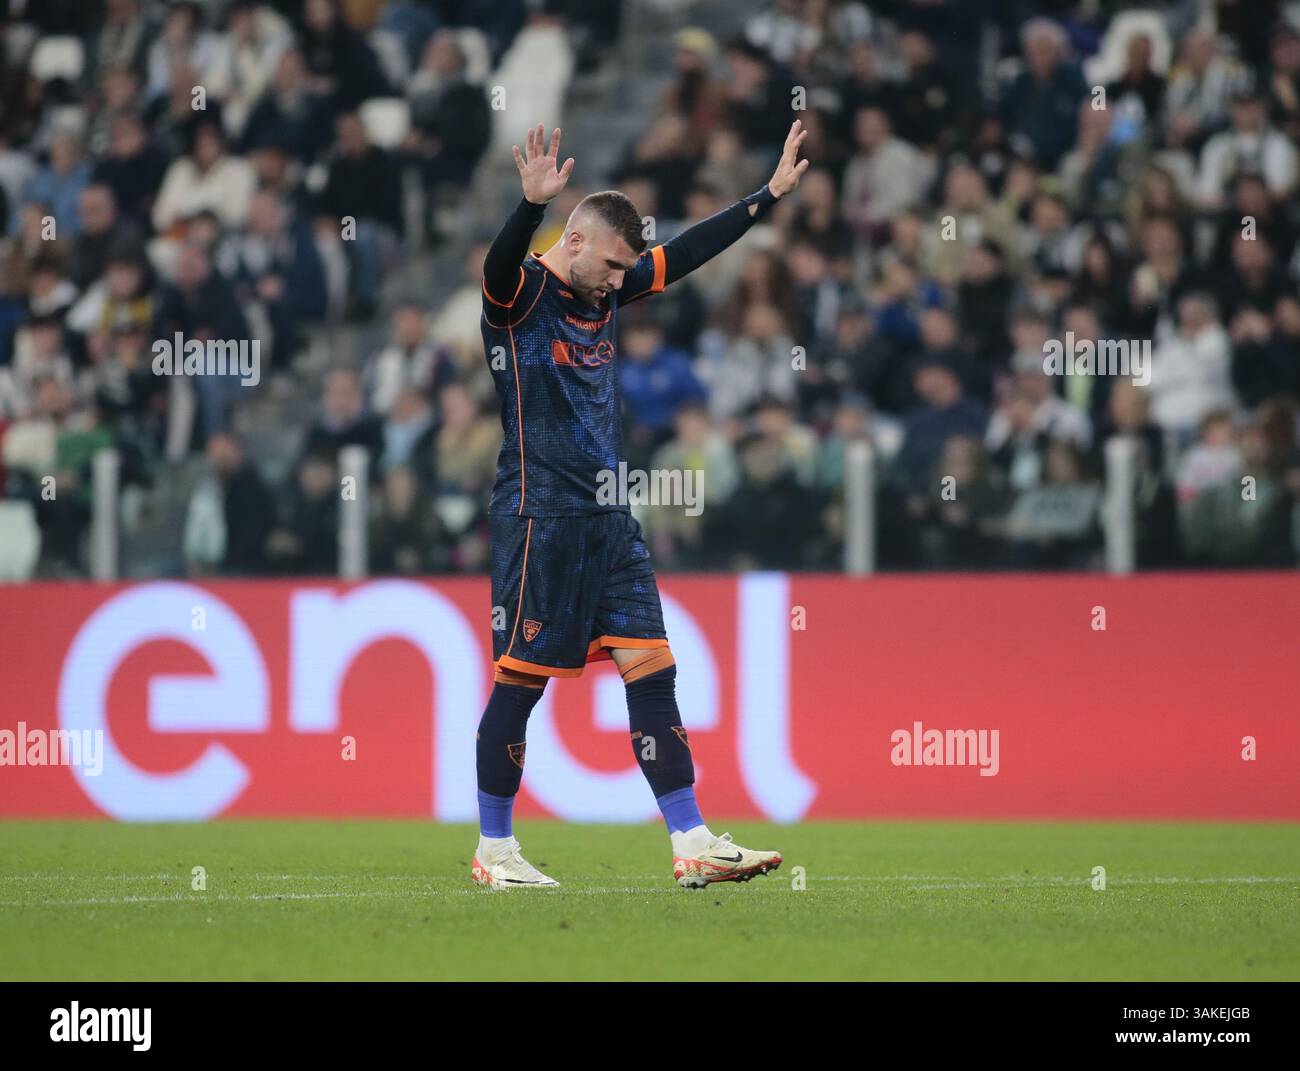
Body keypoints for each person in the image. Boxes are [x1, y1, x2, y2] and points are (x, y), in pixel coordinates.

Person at [471, 121, 809, 890]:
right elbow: (495, 268)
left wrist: (766, 196)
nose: (625, 282)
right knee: (520, 681)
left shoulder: (606, 283)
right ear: (578, 242)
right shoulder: (523, 295)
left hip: (608, 516)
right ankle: (494, 847)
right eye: (616, 266)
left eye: (629, 270)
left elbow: (682, 254)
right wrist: (528, 209)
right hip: (538, 514)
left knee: (653, 668)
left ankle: (691, 838)